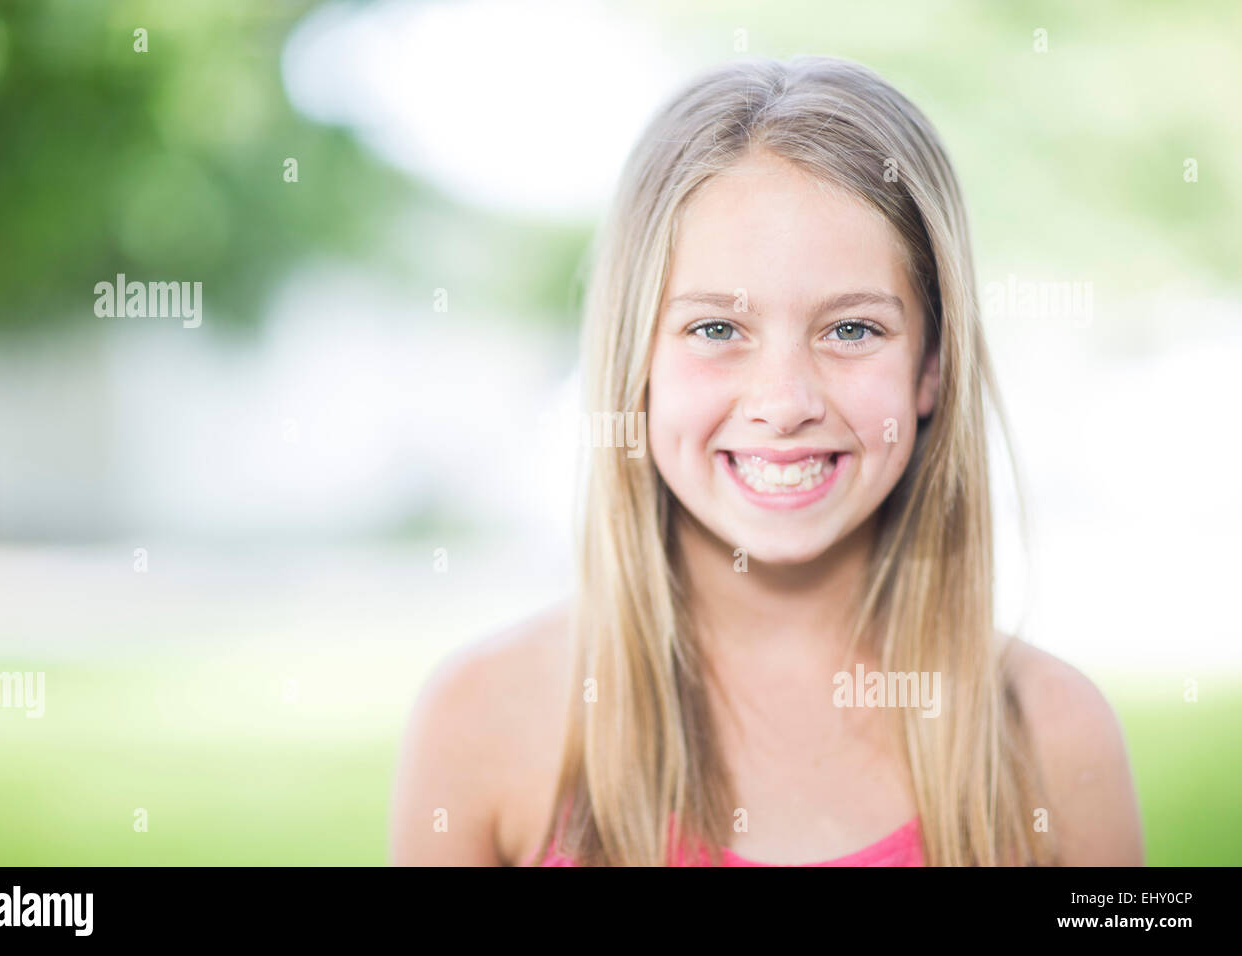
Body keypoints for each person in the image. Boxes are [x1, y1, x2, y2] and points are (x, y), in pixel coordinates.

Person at [390, 54, 1143, 866]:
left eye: (851, 329)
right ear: (633, 366)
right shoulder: (484, 722)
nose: (784, 403)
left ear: (931, 368)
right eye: (716, 330)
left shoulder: (1055, 740)